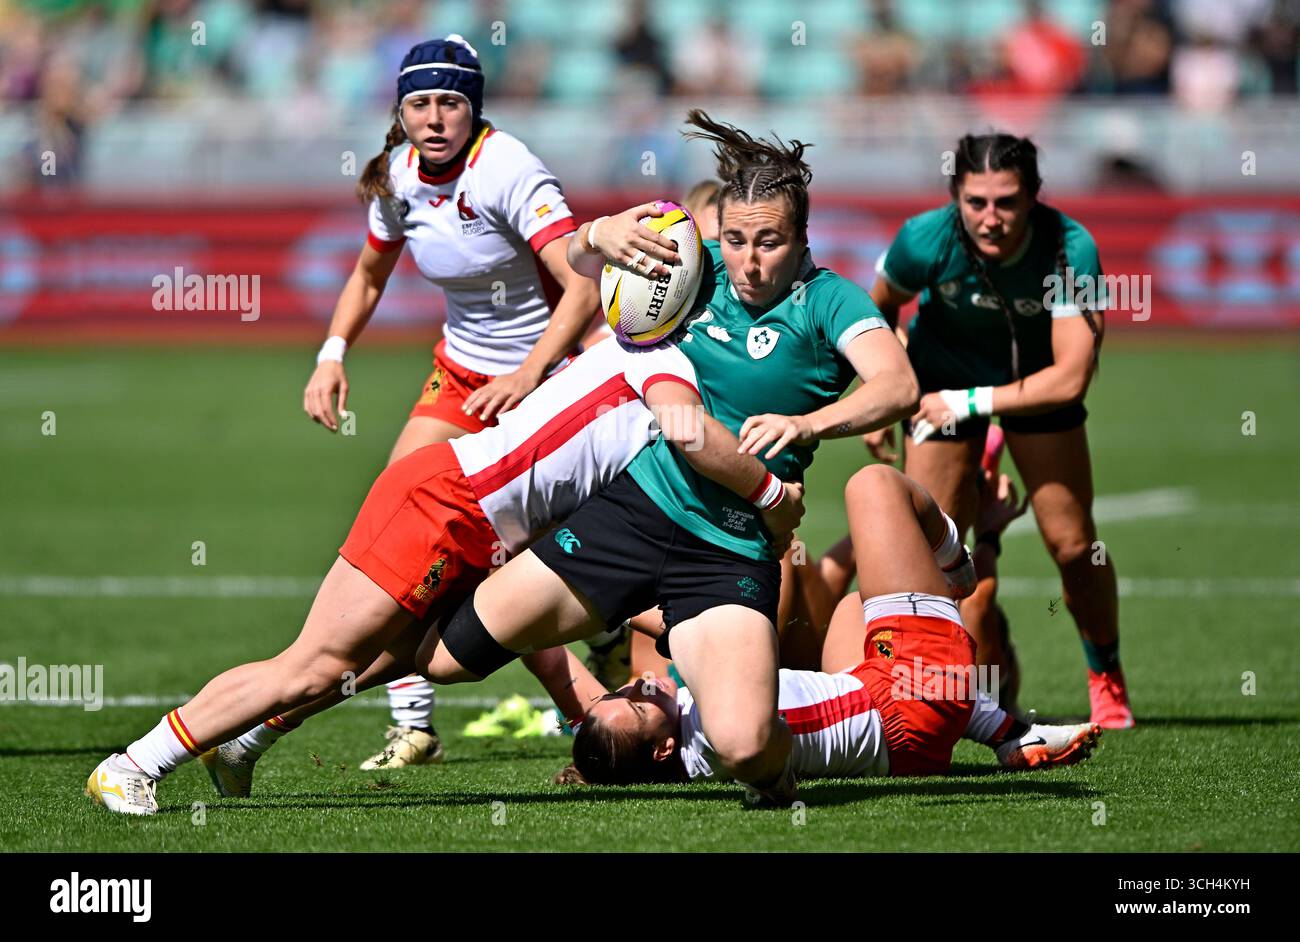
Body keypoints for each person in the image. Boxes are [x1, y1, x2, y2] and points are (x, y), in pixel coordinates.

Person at [86, 314, 804, 816]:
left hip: (475, 523)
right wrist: (772, 495)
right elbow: (688, 432)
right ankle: (133, 766)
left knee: (400, 654)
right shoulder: (667, 366)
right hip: (446, 505)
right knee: (309, 663)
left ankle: (245, 741)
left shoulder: (632, 345)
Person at [414, 110, 919, 806]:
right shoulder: (696, 268)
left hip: (731, 547)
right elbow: (583, 272)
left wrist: (810, 422)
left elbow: (898, 385)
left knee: (745, 745)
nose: (748, 260)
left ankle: (777, 780)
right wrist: (598, 235)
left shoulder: (829, 302)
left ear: (802, 236)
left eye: (769, 242)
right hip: (636, 511)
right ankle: (309, 685)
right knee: (443, 659)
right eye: (735, 239)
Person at [301, 35, 605, 769]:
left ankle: (591, 712)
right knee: (397, 523)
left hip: (543, 380)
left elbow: (584, 285)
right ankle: (414, 724)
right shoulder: (400, 177)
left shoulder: (509, 168)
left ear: (474, 107)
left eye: (450, 102)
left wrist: (532, 375)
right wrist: (331, 354)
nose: (434, 117)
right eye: (419, 103)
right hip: (462, 377)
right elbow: (370, 276)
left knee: (511, 563)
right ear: (400, 110)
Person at [539, 465, 1101, 786]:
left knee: (857, 607)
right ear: (661, 750)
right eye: (639, 703)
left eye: (622, 690)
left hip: (895, 735)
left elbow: (557, 664)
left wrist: (505, 593)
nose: (639, 686)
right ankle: (960, 581)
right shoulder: (717, 722)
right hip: (908, 705)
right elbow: (757, 589)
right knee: (875, 486)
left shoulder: (652, 743)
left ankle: (1000, 729)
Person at [865, 132, 1132, 728]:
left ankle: (1105, 671)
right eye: (976, 201)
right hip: (941, 388)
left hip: (1031, 394)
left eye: (1007, 202)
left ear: (1034, 196)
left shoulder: (1070, 248)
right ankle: (968, 685)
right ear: (955, 196)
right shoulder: (923, 239)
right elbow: (877, 308)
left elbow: (1069, 378)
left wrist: (973, 402)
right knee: (942, 555)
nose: (991, 218)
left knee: (1072, 545)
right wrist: (889, 390)